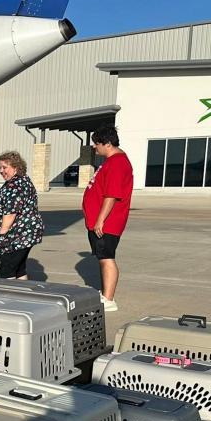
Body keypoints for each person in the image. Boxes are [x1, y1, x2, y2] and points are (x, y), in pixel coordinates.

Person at [82, 125, 133, 312]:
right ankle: (105, 293)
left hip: (108, 223)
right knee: (103, 258)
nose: (95, 147)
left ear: (108, 144)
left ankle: (109, 299)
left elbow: (111, 195)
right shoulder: (111, 161)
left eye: (97, 143)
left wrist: (100, 220)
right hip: (102, 222)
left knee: (107, 258)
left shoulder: (117, 163)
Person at [0, 151, 44, 279]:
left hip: (16, 236)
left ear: (16, 168)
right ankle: (22, 290)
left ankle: (8, 291)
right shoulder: (15, 182)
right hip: (22, 236)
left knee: (7, 270)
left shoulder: (15, 185)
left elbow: (10, 213)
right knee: (19, 269)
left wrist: (1, 236)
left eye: (4, 167)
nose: (1, 170)